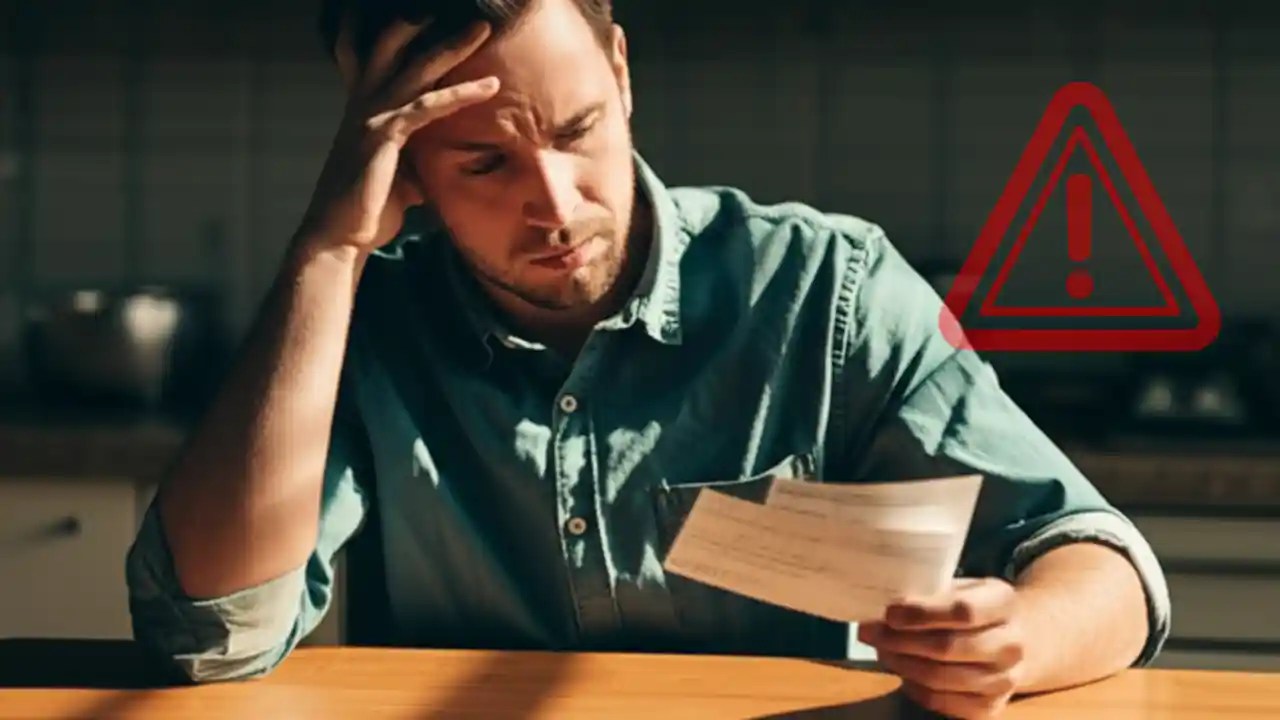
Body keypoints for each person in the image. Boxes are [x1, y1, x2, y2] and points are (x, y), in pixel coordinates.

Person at [125, 0, 1170, 717]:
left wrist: (1012, 639)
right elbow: (213, 633)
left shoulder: (824, 287)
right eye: (483, 161)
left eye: (576, 129)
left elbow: (1099, 562)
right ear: (396, 162)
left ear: (620, 74)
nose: (555, 203)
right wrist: (327, 249)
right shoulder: (365, 324)